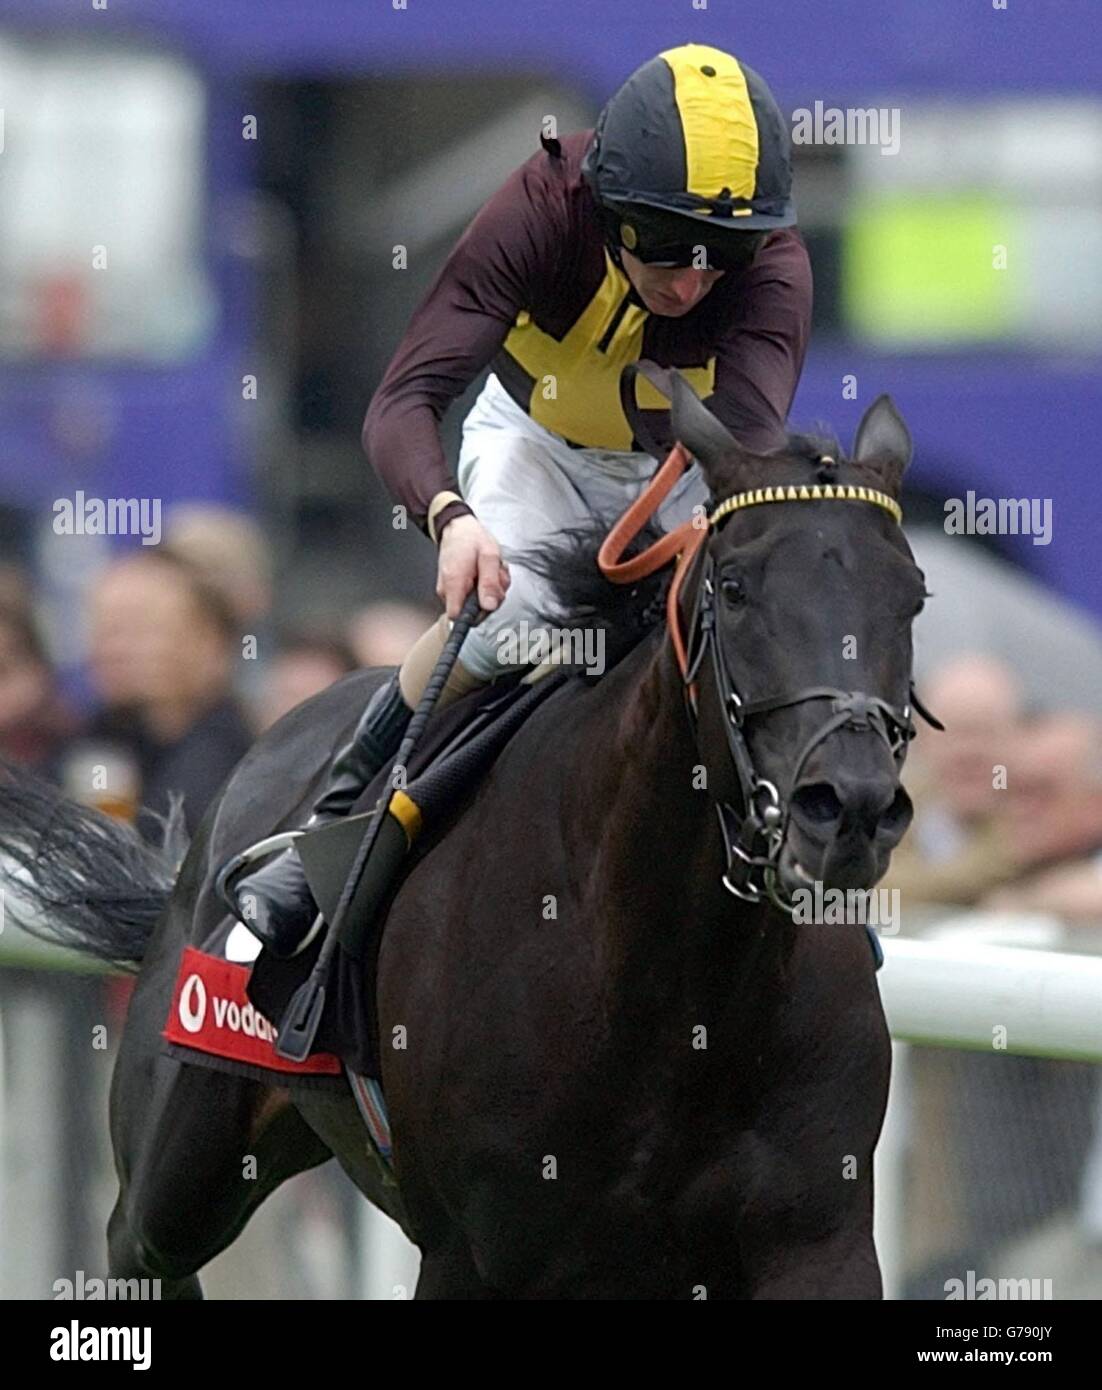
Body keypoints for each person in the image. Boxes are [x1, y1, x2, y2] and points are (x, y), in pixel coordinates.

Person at [235, 43, 813, 955]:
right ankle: (330, 829)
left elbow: (743, 448)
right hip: (532, 444)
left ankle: (813, 876)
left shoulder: (774, 268)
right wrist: (450, 517)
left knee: (748, 632)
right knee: (515, 621)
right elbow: (403, 402)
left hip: (679, 472)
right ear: (610, 205)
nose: (695, 281)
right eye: (667, 246)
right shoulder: (542, 208)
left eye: (723, 254)